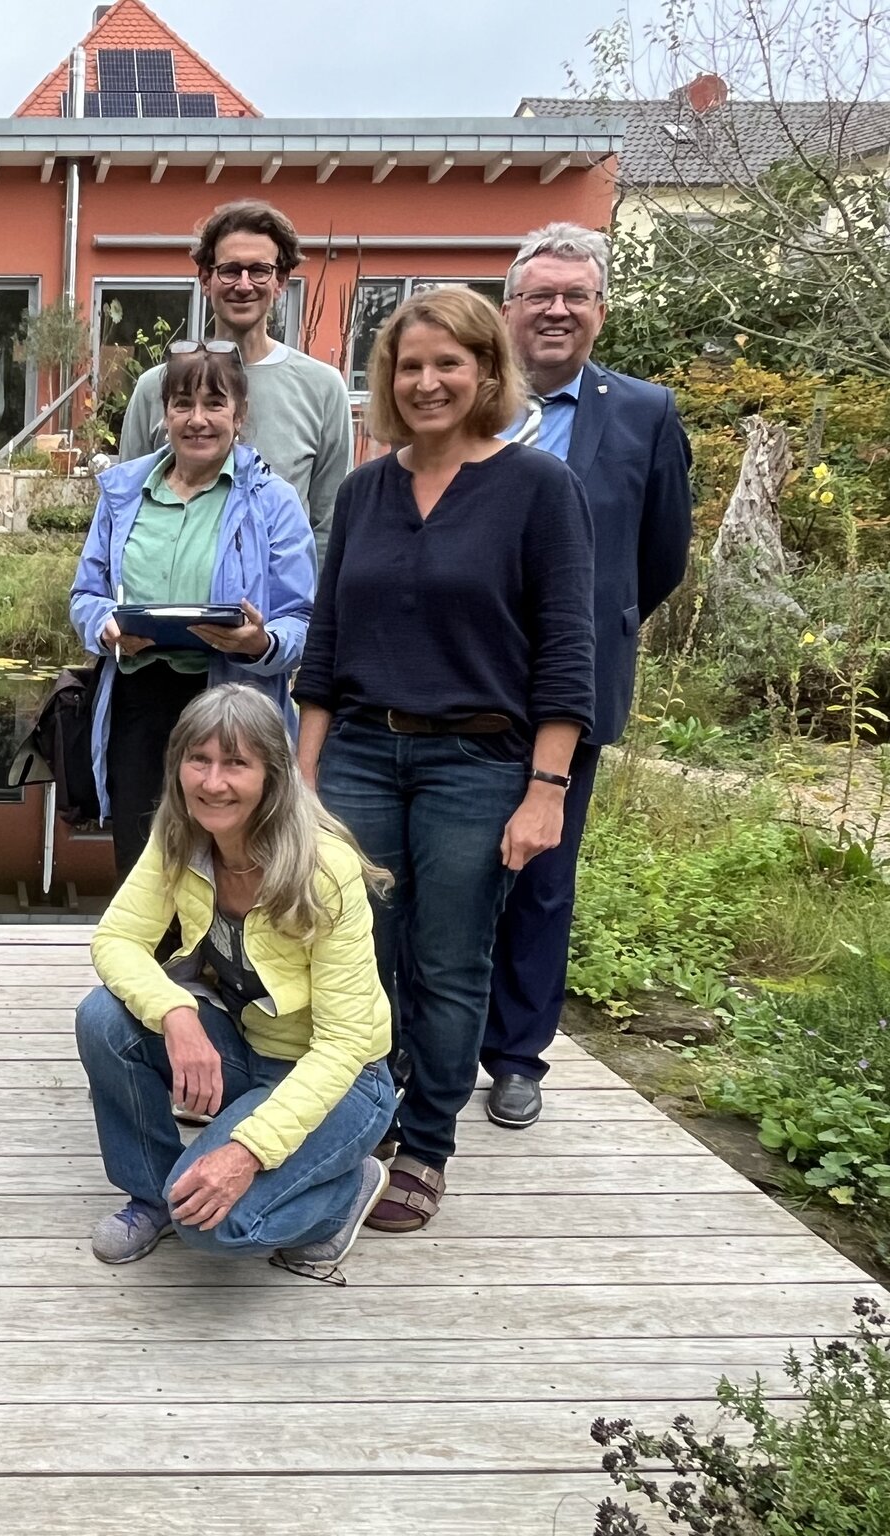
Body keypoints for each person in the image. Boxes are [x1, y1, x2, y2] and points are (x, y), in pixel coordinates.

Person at [294, 288, 595, 1234]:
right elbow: (328, 643)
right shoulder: (365, 489)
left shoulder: (539, 488)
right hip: (361, 756)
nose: (426, 382)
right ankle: (368, 1117)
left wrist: (545, 788)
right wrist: (303, 777)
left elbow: (566, 649)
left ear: (487, 372)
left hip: (477, 760)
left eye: (448, 364)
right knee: (357, 956)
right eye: (409, 366)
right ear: (387, 380)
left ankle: (426, 1144)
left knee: (450, 959)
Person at [482, 223, 694, 1131]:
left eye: (576, 295)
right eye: (540, 295)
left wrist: (580, 635)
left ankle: (519, 1056)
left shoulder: (646, 414)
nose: (558, 310)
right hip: (462, 680)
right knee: (437, 869)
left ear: (601, 312)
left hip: (571, 689)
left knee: (543, 872)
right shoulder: (466, 400)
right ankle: (422, 1037)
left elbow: (661, 560)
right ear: (510, 310)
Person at [74, 685, 395, 1280]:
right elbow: (115, 940)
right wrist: (177, 1013)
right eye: (199, 759)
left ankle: (344, 1192)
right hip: (250, 1050)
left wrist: (247, 1151)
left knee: (214, 1225)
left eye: (236, 763)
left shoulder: (325, 870)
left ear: (273, 776)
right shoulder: (180, 837)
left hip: (346, 1081)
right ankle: (153, 1195)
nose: (213, 782)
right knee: (103, 1018)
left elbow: (346, 1044)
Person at [70, 343, 315, 878]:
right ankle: (152, 962)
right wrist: (106, 628)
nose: (197, 419)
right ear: (165, 415)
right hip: (138, 702)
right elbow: (85, 595)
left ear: (240, 415)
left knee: (231, 863)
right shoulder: (123, 493)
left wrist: (260, 642)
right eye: (182, 404)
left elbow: (302, 621)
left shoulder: (273, 502)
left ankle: (227, 964)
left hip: (230, 705)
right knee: (143, 865)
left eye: (214, 404)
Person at [117, 200, 353, 558]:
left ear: (281, 282)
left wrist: (308, 610)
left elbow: (329, 525)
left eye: (259, 270)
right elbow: (127, 510)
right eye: (230, 270)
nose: (244, 285)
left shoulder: (322, 388)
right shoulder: (157, 386)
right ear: (206, 279)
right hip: (171, 599)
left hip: (278, 610)